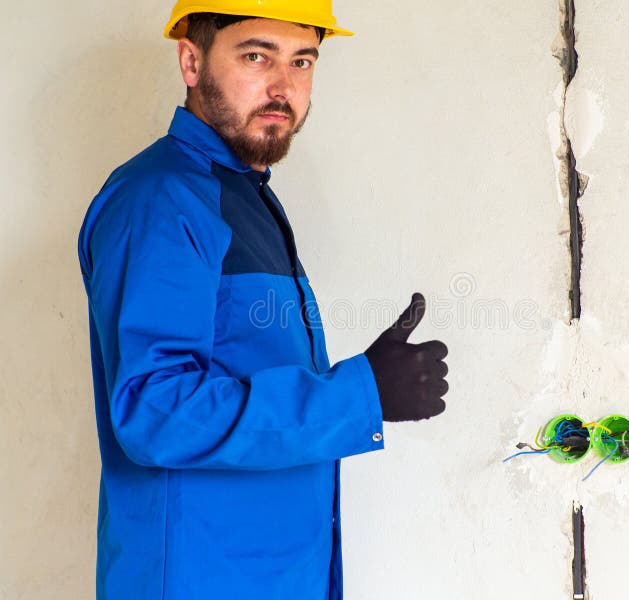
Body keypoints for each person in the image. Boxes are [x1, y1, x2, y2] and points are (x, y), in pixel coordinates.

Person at [76, 2, 449, 598]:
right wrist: (359, 394)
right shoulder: (164, 200)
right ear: (191, 61)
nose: (284, 87)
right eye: (257, 56)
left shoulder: (243, 195)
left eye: (303, 61)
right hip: (201, 579)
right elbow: (154, 411)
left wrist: (363, 386)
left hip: (273, 573)